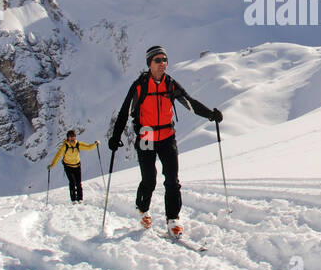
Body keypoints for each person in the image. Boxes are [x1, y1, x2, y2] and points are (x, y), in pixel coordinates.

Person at [108, 46, 223, 235]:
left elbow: (189, 102)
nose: (162, 64)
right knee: (149, 179)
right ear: (149, 63)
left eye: (164, 60)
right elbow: (124, 112)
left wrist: (211, 115)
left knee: (172, 179)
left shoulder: (170, 84)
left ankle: (173, 219)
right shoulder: (139, 86)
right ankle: (143, 208)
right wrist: (115, 137)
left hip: (167, 136)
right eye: (157, 60)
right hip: (146, 135)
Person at [49, 130, 98, 204]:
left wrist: (95, 144)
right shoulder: (64, 146)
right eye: (70, 137)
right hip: (68, 166)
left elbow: (88, 147)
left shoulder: (78, 144)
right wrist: (52, 165)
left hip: (77, 166)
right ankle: (74, 200)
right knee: (72, 182)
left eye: (73, 136)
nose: (72, 138)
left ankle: (80, 199)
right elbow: (58, 156)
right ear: (68, 138)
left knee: (78, 183)